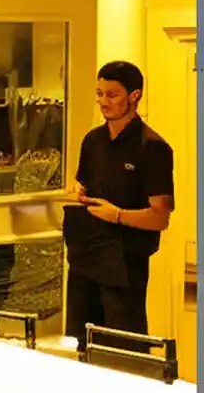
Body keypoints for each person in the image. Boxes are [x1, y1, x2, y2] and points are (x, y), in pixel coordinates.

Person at [65, 61, 174, 348]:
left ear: (135, 96)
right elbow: (84, 185)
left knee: (122, 348)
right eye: (99, 94)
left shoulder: (152, 147)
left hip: (124, 265)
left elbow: (160, 218)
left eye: (112, 95)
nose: (103, 102)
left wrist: (117, 215)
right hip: (86, 257)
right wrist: (77, 195)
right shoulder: (92, 140)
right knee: (81, 343)